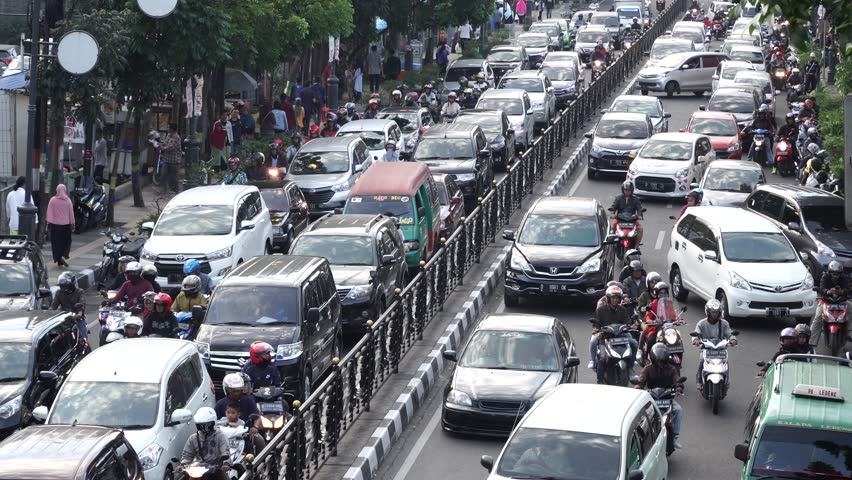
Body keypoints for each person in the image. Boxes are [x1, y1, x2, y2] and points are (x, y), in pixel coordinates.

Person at [635, 343, 684, 449]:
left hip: (667, 398)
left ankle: (674, 437)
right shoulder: (647, 369)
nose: (660, 363)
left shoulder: (671, 369)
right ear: (653, 359)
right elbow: (641, 379)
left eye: (662, 361)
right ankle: (639, 439)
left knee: (678, 410)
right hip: (651, 398)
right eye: (658, 361)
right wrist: (638, 386)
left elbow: (676, 379)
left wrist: (679, 387)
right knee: (639, 416)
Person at [589, 286, 638, 380]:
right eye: (613, 298)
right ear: (608, 298)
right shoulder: (600, 310)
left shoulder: (622, 309)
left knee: (634, 344)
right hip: (605, 336)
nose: (615, 300)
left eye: (617, 298)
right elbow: (596, 323)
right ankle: (596, 371)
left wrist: (632, 325)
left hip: (621, 335)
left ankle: (631, 367)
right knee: (601, 356)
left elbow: (627, 322)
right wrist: (595, 328)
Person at [691, 299, 736, 390]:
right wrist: (696, 340)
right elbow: (696, 333)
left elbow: (730, 333)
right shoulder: (701, 323)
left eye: (716, 312)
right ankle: (699, 380)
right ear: (708, 312)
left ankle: (726, 381)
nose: (715, 314)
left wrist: (733, 339)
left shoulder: (724, 323)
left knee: (726, 362)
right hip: (706, 349)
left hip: (720, 349)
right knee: (702, 361)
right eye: (713, 312)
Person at [177, 407, 230, 480]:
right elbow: (187, 455)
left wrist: (226, 464)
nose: (204, 428)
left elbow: (226, 451)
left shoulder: (220, 436)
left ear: (213, 423)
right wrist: (183, 465)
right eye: (201, 425)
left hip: (217, 468)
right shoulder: (193, 438)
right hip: (199, 469)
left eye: (207, 425)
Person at [809, 260, 850, 347]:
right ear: (830, 272)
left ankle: (849, 331)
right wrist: (828, 291)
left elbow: (847, 288)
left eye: (837, 274)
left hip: (842, 301)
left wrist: (842, 291)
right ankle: (811, 342)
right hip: (826, 301)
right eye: (834, 274)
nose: (836, 276)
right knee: (817, 318)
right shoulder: (825, 276)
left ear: (840, 273)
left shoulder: (844, 277)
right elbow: (822, 287)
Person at [47, 184, 75, 268]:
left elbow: (49, 212)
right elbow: (71, 213)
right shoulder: (68, 200)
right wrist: (72, 223)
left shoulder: (53, 200)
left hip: (55, 226)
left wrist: (49, 222)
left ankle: (58, 259)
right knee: (66, 242)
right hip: (66, 225)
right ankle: (64, 255)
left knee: (56, 243)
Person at [159, 123, 182, 193]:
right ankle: (163, 190)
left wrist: (162, 148)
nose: (167, 129)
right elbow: (165, 143)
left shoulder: (177, 137)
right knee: (163, 174)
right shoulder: (168, 135)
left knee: (174, 177)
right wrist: (160, 144)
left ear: (172, 129)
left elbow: (171, 147)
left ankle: (176, 190)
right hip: (166, 159)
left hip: (174, 160)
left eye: (169, 128)